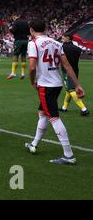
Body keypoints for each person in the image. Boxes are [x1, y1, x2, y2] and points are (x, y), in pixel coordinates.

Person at [25, 20, 85, 165]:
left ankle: (68, 155)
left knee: (53, 117)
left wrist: (32, 81)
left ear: (31, 30)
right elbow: (66, 65)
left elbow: (32, 67)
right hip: (57, 83)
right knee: (43, 112)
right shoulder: (57, 43)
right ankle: (34, 144)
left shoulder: (33, 43)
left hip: (46, 85)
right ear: (45, 28)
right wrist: (77, 84)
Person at [60, 34, 89, 116]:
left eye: (63, 37)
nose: (62, 38)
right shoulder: (77, 49)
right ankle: (64, 107)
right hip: (75, 70)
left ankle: (84, 109)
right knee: (69, 88)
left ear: (67, 38)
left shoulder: (62, 47)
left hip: (67, 70)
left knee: (71, 89)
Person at [7, 14, 30, 80]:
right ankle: (23, 73)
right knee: (23, 56)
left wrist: (10, 29)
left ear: (15, 17)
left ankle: (13, 73)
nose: (13, 19)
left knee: (15, 55)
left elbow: (13, 30)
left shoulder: (16, 22)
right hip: (26, 41)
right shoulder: (26, 22)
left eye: (13, 18)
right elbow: (29, 32)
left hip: (18, 41)